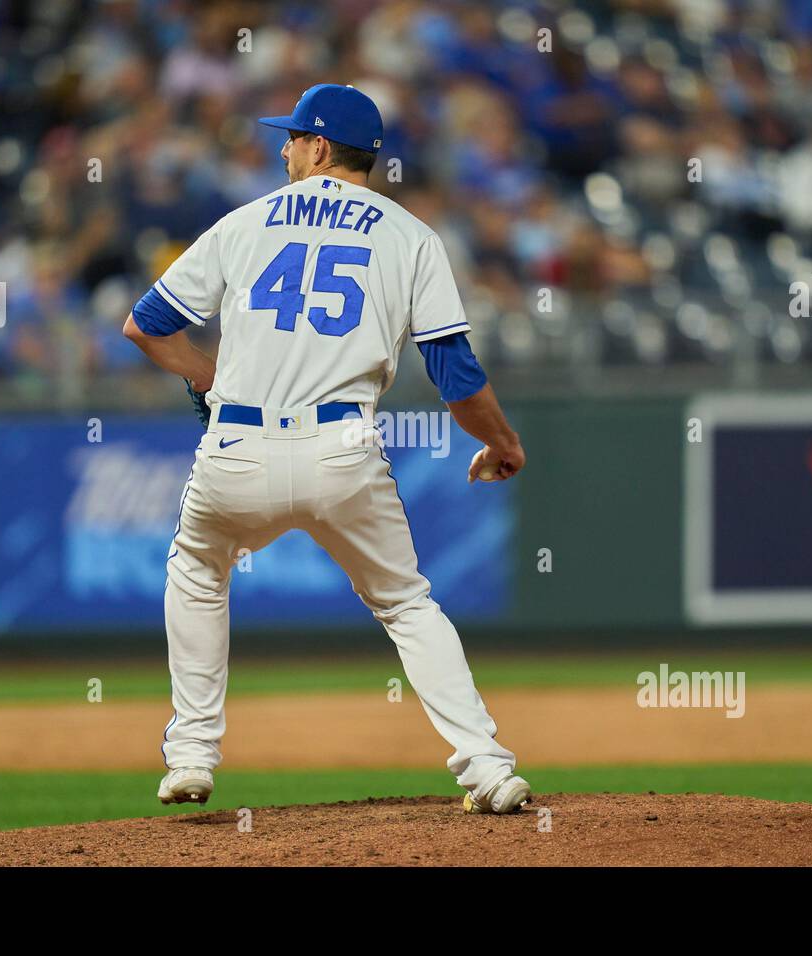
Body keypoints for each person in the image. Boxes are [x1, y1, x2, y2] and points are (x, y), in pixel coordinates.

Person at [123, 84, 531, 815]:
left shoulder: (245, 222)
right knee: (406, 602)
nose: (282, 149)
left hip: (236, 446)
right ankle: (488, 767)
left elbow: (145, 324)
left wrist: (205, 374)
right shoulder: (411, 236)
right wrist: (500, 441)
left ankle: (190, 754)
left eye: (291, 138)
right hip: (342, 450)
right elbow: (456, 376)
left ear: (318, 147)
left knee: (195, 569)